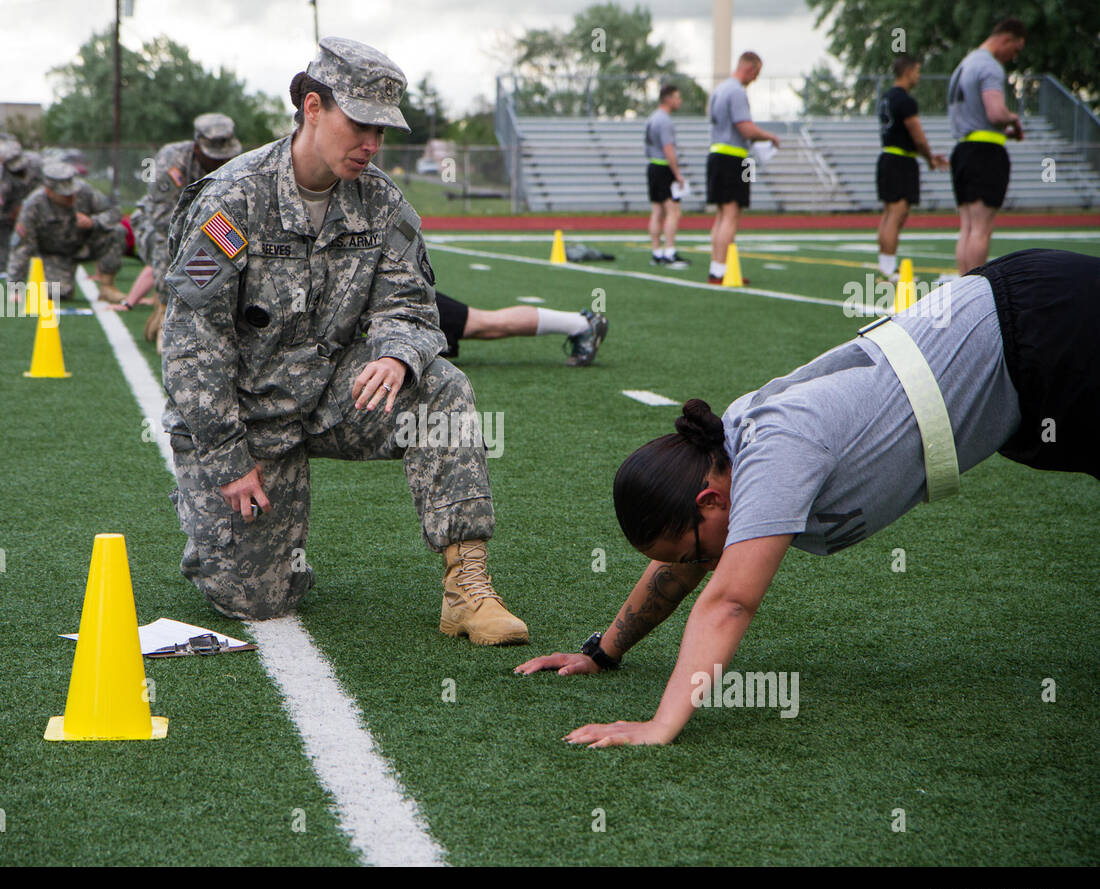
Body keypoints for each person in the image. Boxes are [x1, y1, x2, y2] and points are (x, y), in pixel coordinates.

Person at [516, 248, 1099, 746]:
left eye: (692, 549)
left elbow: (729, 601)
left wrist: (660, 723)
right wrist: (602, 651)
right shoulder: (728, 453)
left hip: (1047, 326)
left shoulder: (774, 452)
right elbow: (682, 567)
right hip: (1025, 345)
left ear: (709, 501)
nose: (695, 564)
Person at [160, 37, 528, 645]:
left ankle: (468, 588)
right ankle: (207, 513)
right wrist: (226, 459)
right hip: (246, 419)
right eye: (359, 124)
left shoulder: (382, 203)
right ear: (312, 107)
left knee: (440, 386)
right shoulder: (233, 200)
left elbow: (412, 305)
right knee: (256, 600)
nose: (372, 145)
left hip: (332, 395)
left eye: (383, 131)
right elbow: (191, 344)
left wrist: (396, 352)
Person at [139, 113, 242, 346]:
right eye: (213, 157)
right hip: (162, 226)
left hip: (214, 225)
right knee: (168, 253)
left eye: (224, 157)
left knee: (238, 250)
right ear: (197, 148)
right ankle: (166, 311)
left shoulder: (239, 160)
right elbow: (161, 221)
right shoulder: (170, 161)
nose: (220, 162)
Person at [947, 18, 1027, 275]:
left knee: (968, 228)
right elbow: (995, 113)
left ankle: (963, 286)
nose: (1013, 56)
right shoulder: (990, 66)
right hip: (985, 153)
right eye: (1015, 49)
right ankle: (974, 294)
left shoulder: (964, 64)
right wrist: (1013, 118)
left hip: (962, 151)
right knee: (981, 228)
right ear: (1007, 39)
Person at [705, 52, 780, 285]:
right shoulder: (737, 91)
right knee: (730, 214)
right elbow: (746, 129)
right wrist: (769, 136)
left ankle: (717, 268)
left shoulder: (719, 89)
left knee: (721, 215)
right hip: (732, 157)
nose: (755, 79)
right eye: (756, 73)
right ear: (749, 68)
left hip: (717, 155)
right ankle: (720, 271)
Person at [6, 160, 128, 303]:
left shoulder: (85, 191)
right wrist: (15, 290)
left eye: (72, 192)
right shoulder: (34, 205)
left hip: (86, 244)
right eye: (64, 194)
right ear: (49, 192)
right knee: (58, 294)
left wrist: (93, 221)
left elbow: (114, 212)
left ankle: (107, 287)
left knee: (117, 231)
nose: (71, 196)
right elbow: (21, 248)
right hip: (55, 254)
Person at [876, 55, 948, 280]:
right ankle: (889, 270)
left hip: (888, 158)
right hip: (901, 162)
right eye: (917, 71)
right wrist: (929, 158)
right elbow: (918, 136)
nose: (919, 76)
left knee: (889, 214)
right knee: (897, 214)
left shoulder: (887, 97)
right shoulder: (906, 100)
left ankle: (885, 266)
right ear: (907, 72)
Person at [435, 291, 607, 366]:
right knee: (484, 326)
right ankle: (580, 324)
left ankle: (581, 325)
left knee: (485, 323)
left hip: (410, 293)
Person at [0, 139, 42, 277]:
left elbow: (51, 189)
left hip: (37, 205)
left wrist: (26, 208)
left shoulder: (37, 163)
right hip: (7, 212)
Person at [645, 83, 689, 268]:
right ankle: (669, 252)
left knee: (657, 211)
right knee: (673, 211)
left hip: (653, 166)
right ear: (668, 99)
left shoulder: (652, 118)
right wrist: (677, 173)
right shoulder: (664, 121)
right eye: (677, 97)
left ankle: (657, 252)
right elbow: (668, 148)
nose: (679, 101)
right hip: (663, 168)